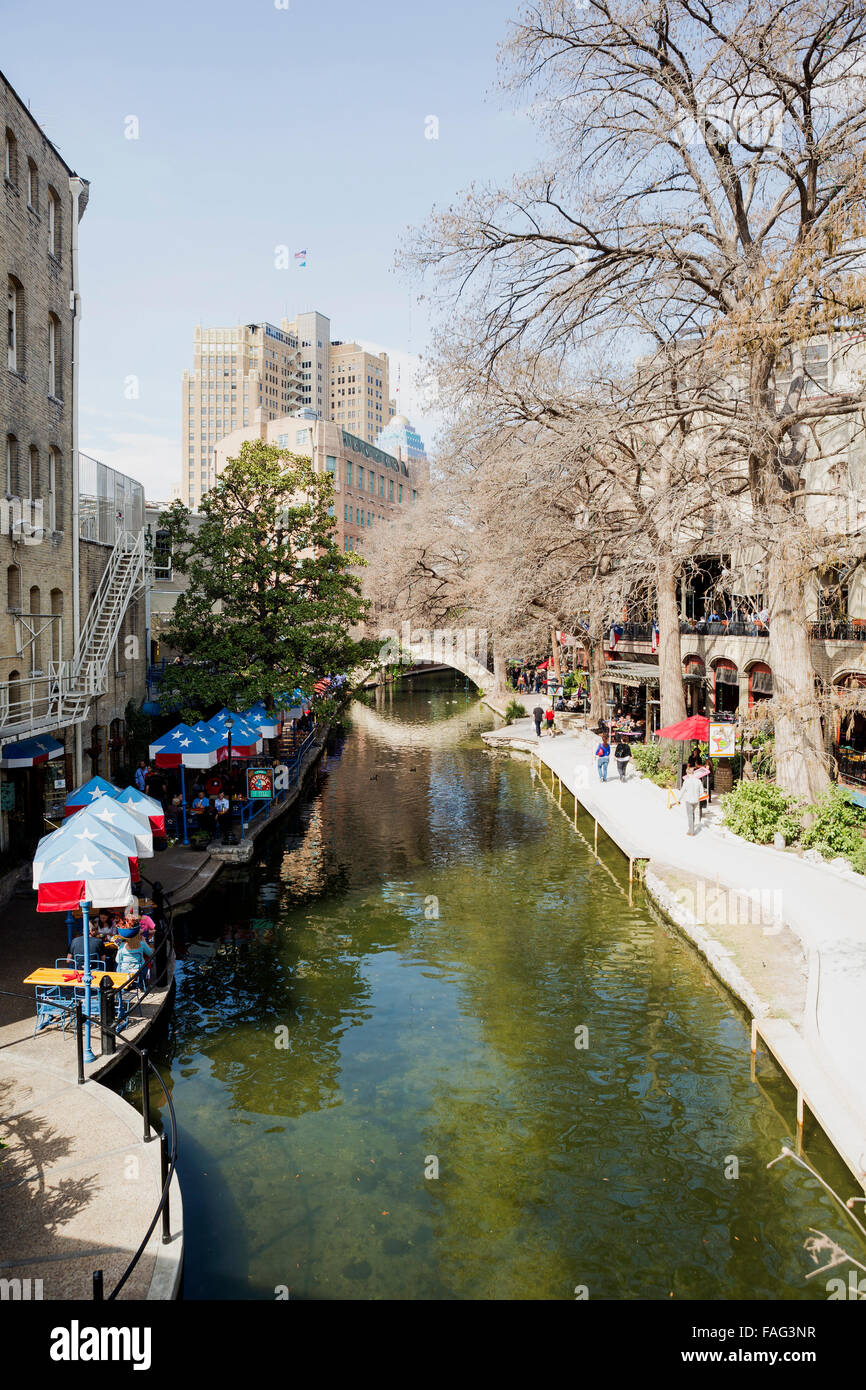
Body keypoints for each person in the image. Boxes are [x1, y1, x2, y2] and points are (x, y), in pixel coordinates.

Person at [682, 766, 703, 835]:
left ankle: (691, 831)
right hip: (696, 801)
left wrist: (678, 800)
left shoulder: (686, 781)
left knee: (690, 815)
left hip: (689, 800)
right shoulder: (699, 781)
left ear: (687, 773)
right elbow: (702, 792)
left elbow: (682, 791)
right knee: (692, 813)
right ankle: (691, 827)